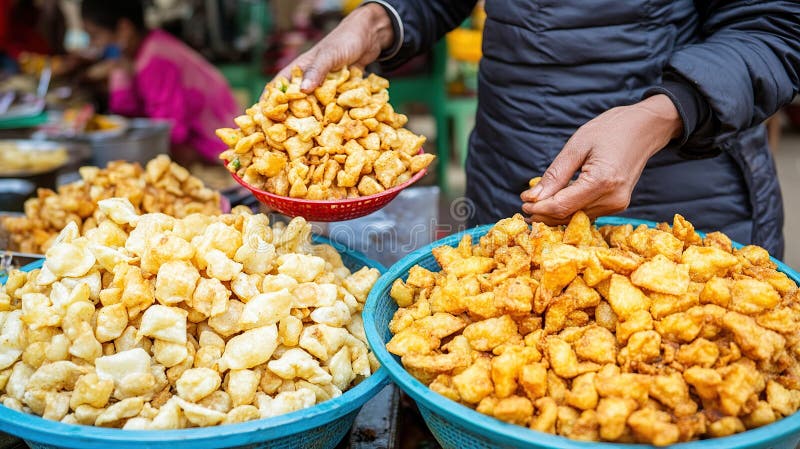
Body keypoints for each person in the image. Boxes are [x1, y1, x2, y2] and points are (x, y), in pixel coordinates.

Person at [279, 1, 800, 258]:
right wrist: (378, 19)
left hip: (682, 189)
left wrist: (662, 113)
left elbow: (776, 25)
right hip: (508, 169)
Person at [80, 0, 240, 163]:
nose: (93, 45)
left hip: (221, 151)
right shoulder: (138, 54)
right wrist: (120, 73)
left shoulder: (156, 59)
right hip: (198, 143)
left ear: (124, 29)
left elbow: (168, 133)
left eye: (95, 36)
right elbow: (126, 112)